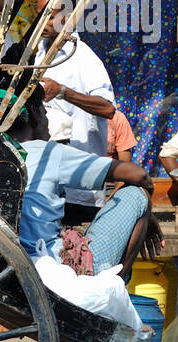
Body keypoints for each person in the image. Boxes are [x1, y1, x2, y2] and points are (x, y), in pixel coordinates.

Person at [12, 85, 158, 281]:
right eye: (45, 113)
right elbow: (140, 175)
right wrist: (148, 210)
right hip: (50, 263)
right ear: (36, 114)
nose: (47, 121)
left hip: (13, 258)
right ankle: (113, 287)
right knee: (137, 194)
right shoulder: (47, 151)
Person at [34, 0, 116, 219]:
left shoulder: (84, 59)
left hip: (78, 186)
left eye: (49, 16)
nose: (42, 23)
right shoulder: (39, 54)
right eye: (39, 15)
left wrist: (62, 91)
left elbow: (108, 108)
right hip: (48, 180)